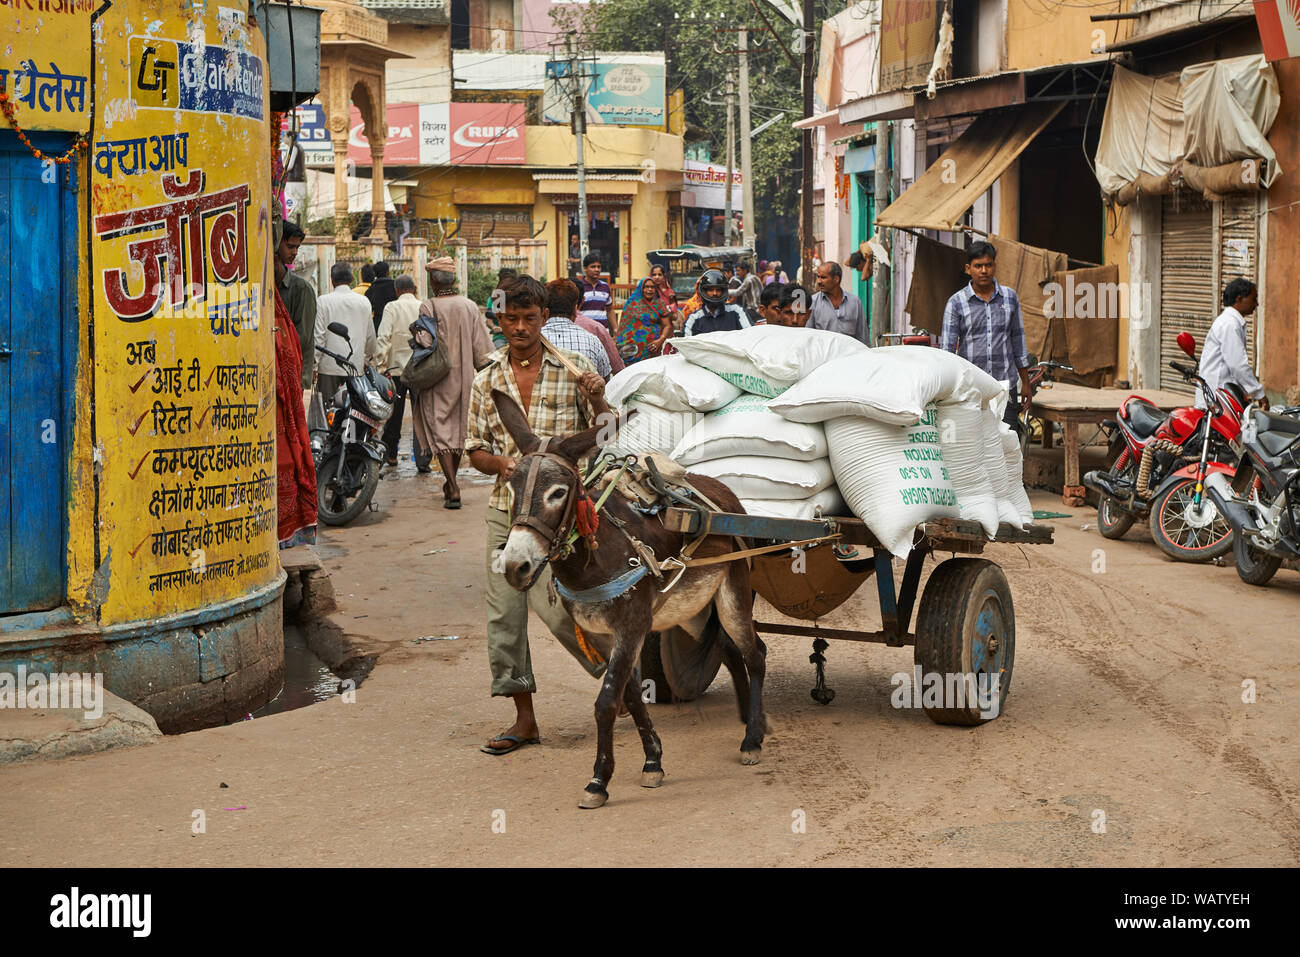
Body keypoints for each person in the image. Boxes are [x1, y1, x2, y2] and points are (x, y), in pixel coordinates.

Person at [464, 274, 610, 755]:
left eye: (530, 318)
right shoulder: (487, 380)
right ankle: (523, 721)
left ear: (545, 317)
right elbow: (474, 451)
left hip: (561, 516)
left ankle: (620, 681)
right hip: (507, 513)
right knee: (503, 617)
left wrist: (597, 397)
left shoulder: (576, 369)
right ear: (499, 319)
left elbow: (607, 434)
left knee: (562, 611)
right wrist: (503, 464)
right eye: (511, 318)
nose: (520, 327)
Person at [411, 256, 494, 508]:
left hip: (437, 377)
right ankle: (451, 481)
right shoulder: (469, 306)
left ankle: (453, 485)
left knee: (440, 427)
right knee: (458, 429)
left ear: (434, 282)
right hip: (466, 377)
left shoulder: (428, 306)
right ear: (454, 280)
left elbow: (424, 342)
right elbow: (482, 349)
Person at [939, 240, 1032, 432]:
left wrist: (1026, 384)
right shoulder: (956, 303)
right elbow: (947, 353)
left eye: (988, 265)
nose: (984, 271)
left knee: (1008, 443)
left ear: (994, 266)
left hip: (1005, 386)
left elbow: (1018, 342)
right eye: (978, 266)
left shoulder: (1009, 298)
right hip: (971, 388)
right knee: (974, 443)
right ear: (968, 268)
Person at [375, 274, 431, 468]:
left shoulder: (391, 307)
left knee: (394, 414)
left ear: (397, 290)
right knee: (421, 416)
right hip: (420, 369)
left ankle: (391, 455)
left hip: (396, 371)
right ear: (414, 289)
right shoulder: (423, 306)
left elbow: (383, 337)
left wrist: (381, 366)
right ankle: (423, 460)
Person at [1197, 277, 1267, 411]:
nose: (1256, 304)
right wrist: (1259, 393)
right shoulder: (1229, 324)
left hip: (1221, 397)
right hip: (1217, 397)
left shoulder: (1231, 321)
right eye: (1253, 299)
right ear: (1239, 299)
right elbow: (1238, 364)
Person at [313, 261, 377, 401]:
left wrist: (314, 366)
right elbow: (371, 337)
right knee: (354, 412)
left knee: (328, 412)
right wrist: (367, 360)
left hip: (328, 368)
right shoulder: (364, 302)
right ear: (352, 279)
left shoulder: (323, 301)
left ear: (332, 280)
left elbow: (319, 336)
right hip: (355, 367)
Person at [539, 278, 612, 379]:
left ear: (545, 311)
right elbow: (605, 380)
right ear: (575, 309)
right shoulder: (593, 341)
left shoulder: (534, 340)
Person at [275, 221, 317, 391]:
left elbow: (302, 338)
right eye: (290, 246)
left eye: (297, 248)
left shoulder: (301, 289)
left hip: (295, 378)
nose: (294, 252)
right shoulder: (266, 289)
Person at [615, 275, 675, 363]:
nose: (649, 290)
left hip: (652, 350)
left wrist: (660, 340)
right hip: (631, 350)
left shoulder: (659, 304)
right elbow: (624, 325)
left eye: (652, 287)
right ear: (641, 289)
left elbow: (668, 326)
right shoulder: (631, 303)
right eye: (646, 287)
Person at [809, 261, 869, 344]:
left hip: (850, 355)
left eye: (823, 277)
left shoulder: (855, 302)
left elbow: (862, 336)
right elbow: (809, 336)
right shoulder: (813, 302)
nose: (819, 281)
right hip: (825, 355)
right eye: (818, 277)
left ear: (836, 279)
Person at [681, 268, 754, 336]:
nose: (715, 293)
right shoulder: (693, 319)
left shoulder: (737, 311)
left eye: (718, 290)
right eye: (710, 290)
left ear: (723, 291)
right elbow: (686, 345)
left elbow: (750, 335)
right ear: (704, 291)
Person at [575, 252, 614, 329]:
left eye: (599, 267)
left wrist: (615, 329)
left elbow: (610, 310)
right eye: (593, 267)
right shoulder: (578, 286)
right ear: (585, 268)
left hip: (603, 331)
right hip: (584, 331)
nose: (597, 270)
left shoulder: (605, 287)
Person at [484, 267, 516, 350]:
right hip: (500, 338)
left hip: (517, 338)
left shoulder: (519, 298)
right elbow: (489, 320)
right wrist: (494, 327)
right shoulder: (496, 298)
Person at [365, 260, 398, 333]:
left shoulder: (371, 289)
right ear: (388, 272)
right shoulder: (395, 287)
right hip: (394, 322)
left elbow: (368, 308)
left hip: (377, 323)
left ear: (375, 274)